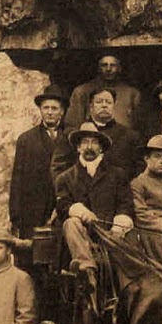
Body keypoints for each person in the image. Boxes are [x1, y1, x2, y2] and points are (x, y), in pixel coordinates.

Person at [53, 121, 133, 304]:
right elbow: (63, 205)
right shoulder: (65, 178)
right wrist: (81, 212)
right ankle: (87, 271)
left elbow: (126, 204)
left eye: (94, 142)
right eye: (85, 142)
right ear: (78, 147)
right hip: (77, 240)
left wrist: (120, 224)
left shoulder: (117, 175)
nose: (89, 147)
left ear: (101, 147)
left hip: (110, 236)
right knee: (70, 222)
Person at [8, 85, 67, 239]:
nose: (49, 112)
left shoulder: (70, 138)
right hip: (32, 209)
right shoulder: (26, 139)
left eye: (54, 108)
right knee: (31, 253)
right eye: (45, 107)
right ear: (40, 110)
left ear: (62, 111)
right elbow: (17, 179)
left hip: (61, 207)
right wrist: (15, 216)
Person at [52, 86, 140, 181]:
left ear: (113, 106)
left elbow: (139, 171)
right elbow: (58, 167)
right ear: (91, 107)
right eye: (99, 102)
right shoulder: (74, 135)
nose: (104, 105)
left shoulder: (130, 136)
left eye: (108, 102)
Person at [63, 52, 141, 133]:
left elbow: (138, 126)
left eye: (113, 65)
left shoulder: (132, 93)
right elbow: (71, 126)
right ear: (98, 68)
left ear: (119, 68)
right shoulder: (82, 91)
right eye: (104, 65)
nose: (108, 69)